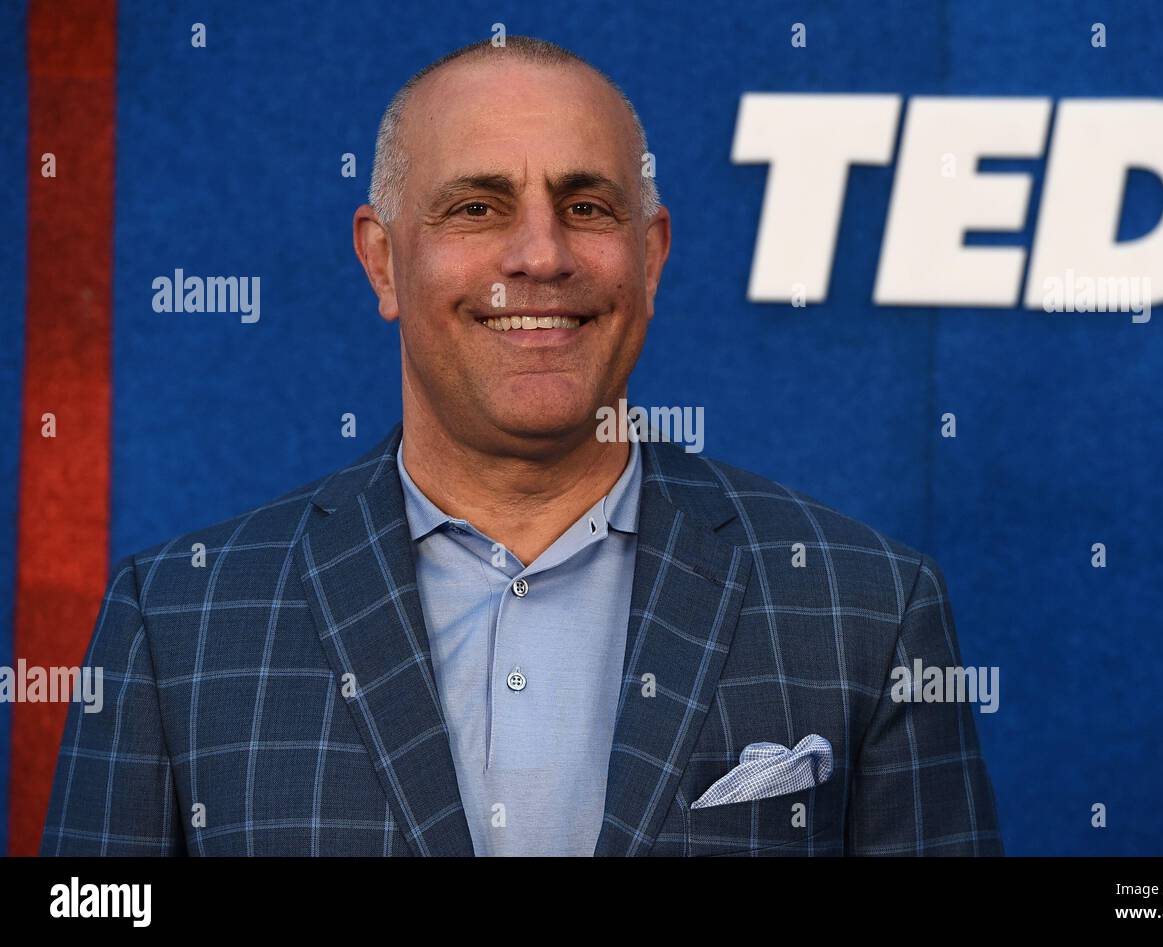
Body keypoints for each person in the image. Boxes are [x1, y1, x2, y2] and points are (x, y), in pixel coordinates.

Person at [41, 35, 1001, 856]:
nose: (540, 254)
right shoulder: (176, 621)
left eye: (587, 206)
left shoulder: (864, 605)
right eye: (477, 207)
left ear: (653, 254)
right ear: (382, 257)